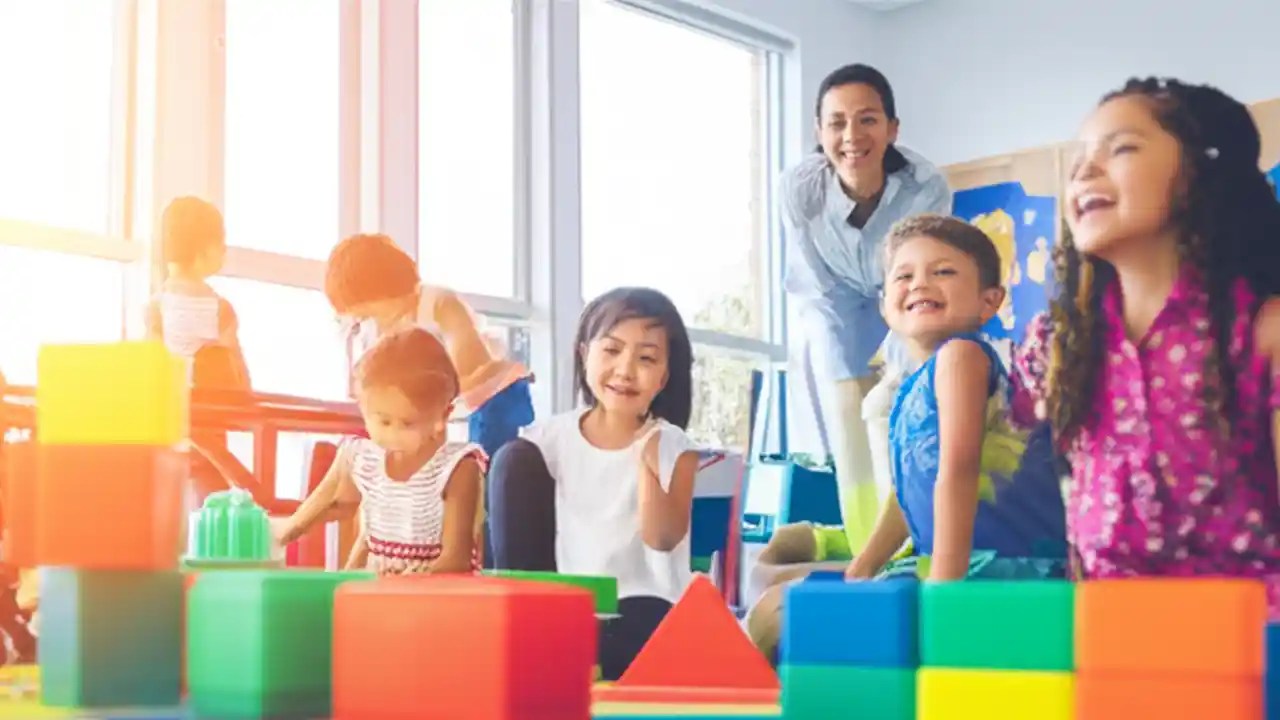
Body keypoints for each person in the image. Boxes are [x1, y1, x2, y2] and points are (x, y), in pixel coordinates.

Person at [1012, 78, 1280, 612]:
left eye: (1122, 148)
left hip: (1252, 654)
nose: (1086, 170)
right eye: (1079, 160)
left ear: (1199, 176)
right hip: (1114, 648)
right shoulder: (1059, 347)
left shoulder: (1261, 332)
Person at [747, 215, 1065, 661]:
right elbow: (902, 498)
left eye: (944, 272)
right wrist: (861, 571)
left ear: (989, 302)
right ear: (885, 306)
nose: (920, 283)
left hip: (999, 573)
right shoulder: (909, 390)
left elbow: (958, 470)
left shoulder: (962, 357)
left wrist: (945, 592)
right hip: (954, 566)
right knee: (775, 609)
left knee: (783, 613)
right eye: (904, 274)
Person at [772, 63, 953, 584]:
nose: (852, 137)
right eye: (837, 122)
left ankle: (903, 540)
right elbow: (816, 281)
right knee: (849, 405)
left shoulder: (926, 187)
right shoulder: (799, 188)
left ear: (893, 128)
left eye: (868, 120)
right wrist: (851, 366)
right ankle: (858, 540)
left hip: (903, 292)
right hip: (831, 298)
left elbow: (919, 270)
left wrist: (897, 357)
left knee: (893, 405)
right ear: (819, 132)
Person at [486, 287, 699, 680]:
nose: (625, 370)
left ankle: (577, 661)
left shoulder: (675, 446)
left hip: (644, 609)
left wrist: (649, 461)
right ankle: (536, 638)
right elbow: (511, 519)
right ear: (585, 354)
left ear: (664, 377)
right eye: (612, 350)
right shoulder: (546, 439)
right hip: (570, 609)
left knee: (645, 617)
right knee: (510, 459)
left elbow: (663, 537)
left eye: (646, 358)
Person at [277, 327, 485, 576]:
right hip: (376, 594)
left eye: (407, 423)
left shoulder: (459, 468)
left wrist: (410, 585)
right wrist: (277, 538)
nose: (392, 434)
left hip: (436, 597)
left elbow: (456, 559)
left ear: (443, 416)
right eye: (383, 422)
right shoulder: (360, 458)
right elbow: (314, 515)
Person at [143, 197, 259, 508]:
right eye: (222, 245)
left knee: (169, 493)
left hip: (171, 413)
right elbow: (235, 360)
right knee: (212, 489)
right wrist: (248, 400)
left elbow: (152, 363)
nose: (224, 253)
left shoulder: (156, 305)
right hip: (211, 414)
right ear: (205, 250)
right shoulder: (220, 307)